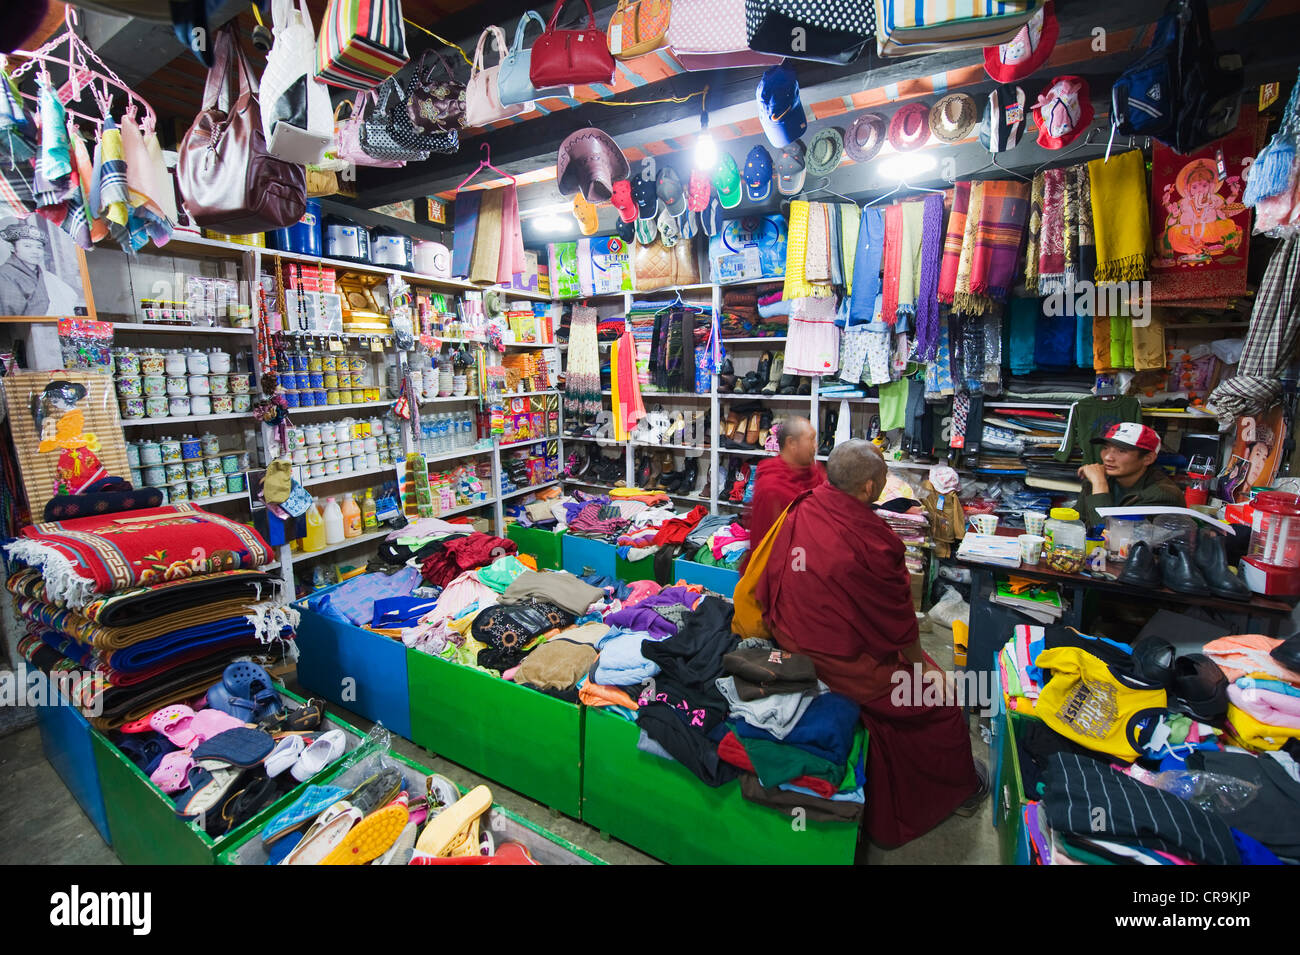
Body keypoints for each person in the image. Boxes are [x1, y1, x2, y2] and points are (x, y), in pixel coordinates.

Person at [755, 439, 986, 847]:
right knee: (944, 699)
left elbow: (772, 577)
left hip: (792, 637)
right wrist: (922, 670)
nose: (885, 484)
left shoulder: (804, 506)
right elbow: (899, 627)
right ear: (867, 488)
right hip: (841, 662)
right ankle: (958, 794)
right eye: (883, 478)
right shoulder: (877, 542)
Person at [744, 415, 826, 556]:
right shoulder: (771, 487)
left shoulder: (815, 471)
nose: (815, 446)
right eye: (811, 439)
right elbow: (768, 543)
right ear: (792, 443)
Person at [1078, 422, 1183, 528]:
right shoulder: (1099, 478)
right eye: (1105, 448)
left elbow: (1110, 535)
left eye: (1121, 451)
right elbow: (1077, 521)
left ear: (1148, 458)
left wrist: (1099, 484)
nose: (1108, 457)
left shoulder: (1163, 495)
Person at [0, 222, 79, 316]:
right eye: (27, 246)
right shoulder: (5, 275)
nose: (35, 252)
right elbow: (9, 314)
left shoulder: (47, 276)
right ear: (12, 248)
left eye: (39, 247)